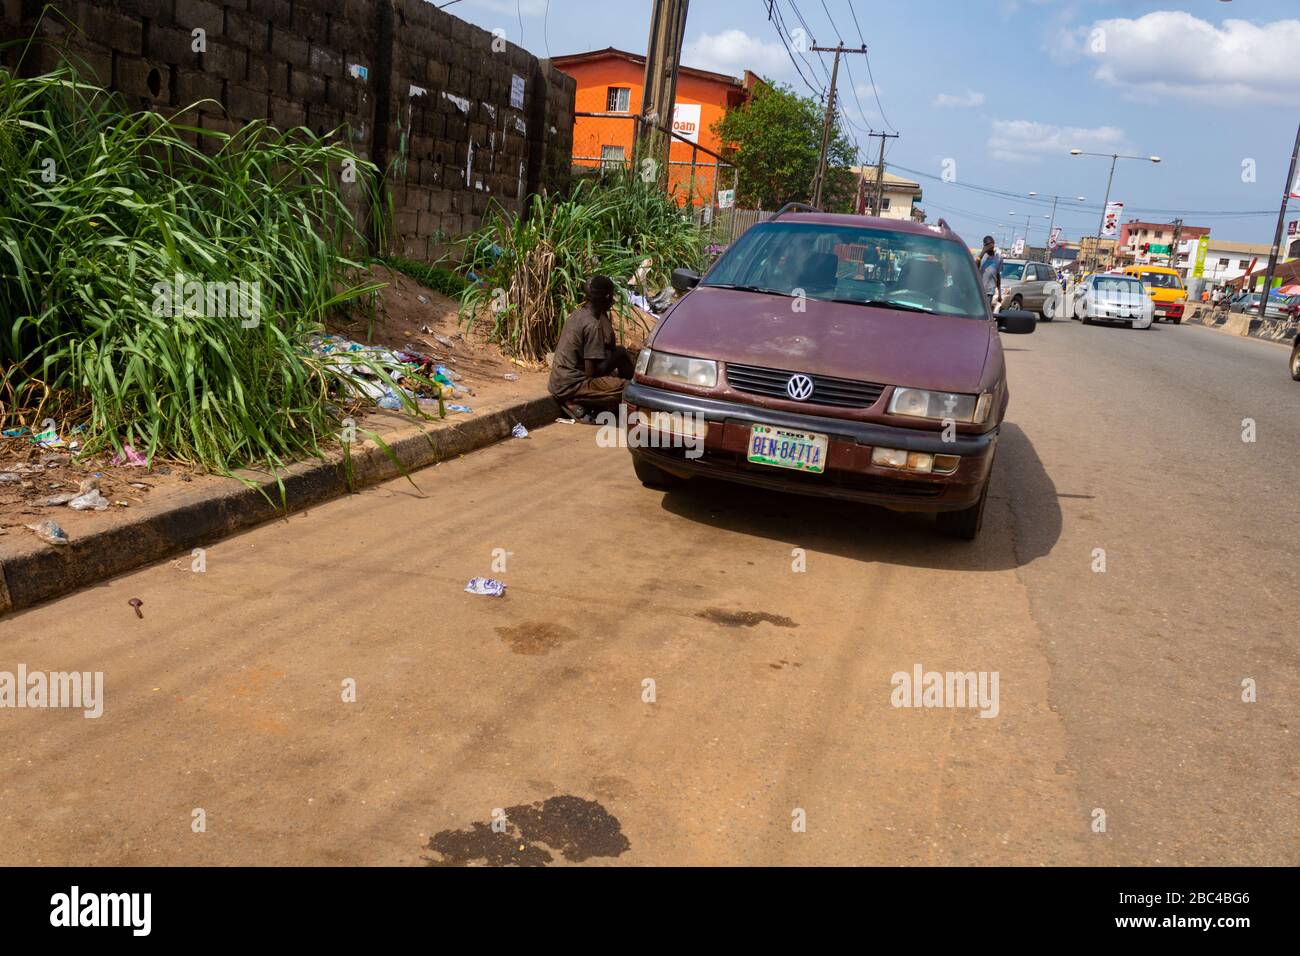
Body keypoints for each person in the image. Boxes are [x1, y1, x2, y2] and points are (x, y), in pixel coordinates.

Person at [548, 275, 635, 422]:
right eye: (612, 295)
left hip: (559, 380)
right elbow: (591, 373)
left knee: (619, 354)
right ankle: (575, 401)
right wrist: (614, 363)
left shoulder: (578, 314)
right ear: (607, 296)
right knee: (628, 389)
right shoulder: (592, 325)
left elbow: (609, 342)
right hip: (571, 385)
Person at [976, 235, 1002, 309]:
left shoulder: (998, 258)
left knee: (986, 310)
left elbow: (998, 275)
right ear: (984, 245)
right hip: (979, 289)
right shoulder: (979, 255)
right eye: (988, 245)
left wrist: (999, 293)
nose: (991, 246)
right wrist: (983, 253)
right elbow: (975, 267)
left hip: (990, 290)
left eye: (992, 244)